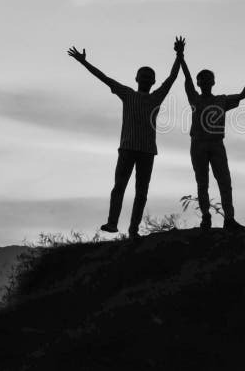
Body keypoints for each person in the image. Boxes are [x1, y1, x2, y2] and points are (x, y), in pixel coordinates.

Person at [66, 38, 184, 239]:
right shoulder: (127, 94)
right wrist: (84, 62)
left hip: (147, 150)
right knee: (119, 187)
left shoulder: (156, 97)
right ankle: (113, 223)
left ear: (153, 81)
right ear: (136, 79)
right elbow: (105, 78)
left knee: (141, 193)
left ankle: (133, 229)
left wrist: (179, 55)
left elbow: (172, 77)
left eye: (149, 77)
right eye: (143, 76)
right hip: (128, 148)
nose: (146, 79)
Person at [179, 43, 245, 232]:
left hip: (216, 144)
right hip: (198, 143)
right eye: (201, 79)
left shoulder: (221, 100)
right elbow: (186, 79)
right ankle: (206, 217)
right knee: (202, 182)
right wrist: (181, 56)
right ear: (199, 83)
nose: (204, 81)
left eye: (208, 78)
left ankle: (229, 218)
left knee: (224, 182)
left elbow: (243, 95)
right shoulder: (195, 99)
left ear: (213, 82)